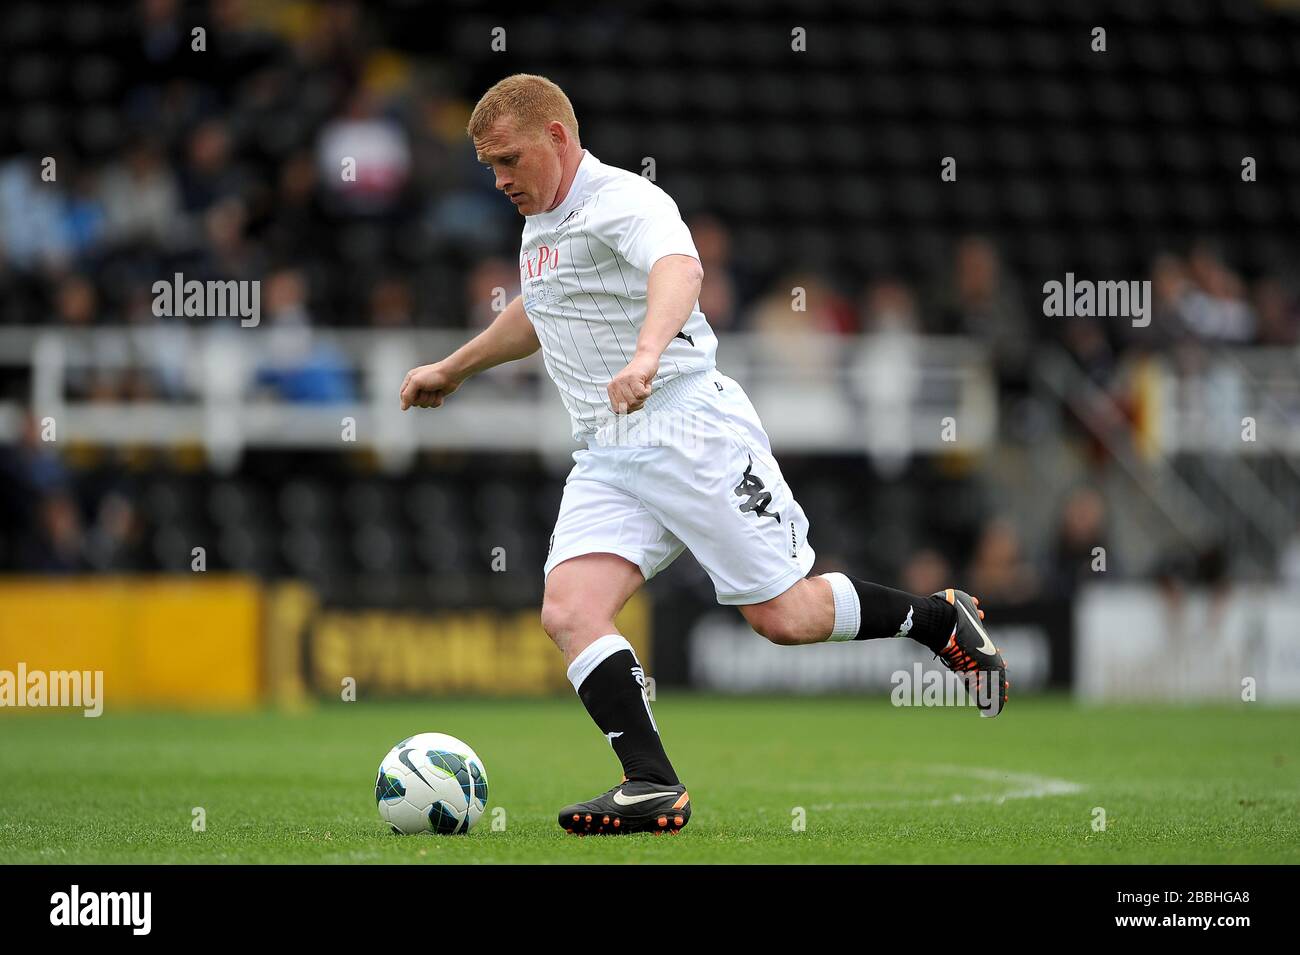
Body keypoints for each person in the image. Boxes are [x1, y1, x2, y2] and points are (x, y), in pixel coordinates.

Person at [400, 74, 1008, 836]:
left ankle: (937, 618)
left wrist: (647, 353)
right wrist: (452, 369)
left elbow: (679, 271)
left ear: (557, 138)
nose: (499, 180)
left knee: (783, 616)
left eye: (509, 160)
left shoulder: (625, 199)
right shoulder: (543, 222)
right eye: (490, 166)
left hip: (689, 429)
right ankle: (651, 782)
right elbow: (542, 310)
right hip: (608, 449)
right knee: (569, 608)